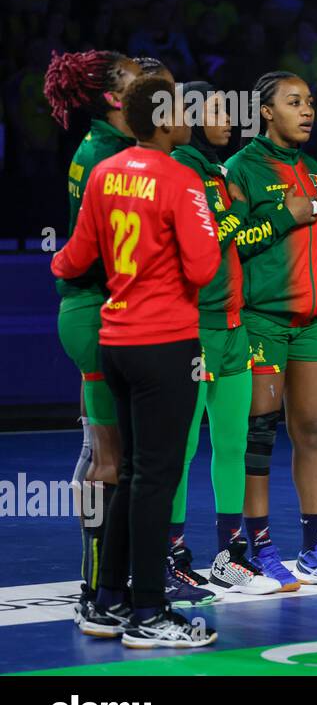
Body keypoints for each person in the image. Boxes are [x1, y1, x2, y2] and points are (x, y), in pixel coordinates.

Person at [52, 73, 221, 647]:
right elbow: (204, 269)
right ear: (165, 121)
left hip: (116, 341)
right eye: (181, 109)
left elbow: (74, 257)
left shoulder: (104, 172)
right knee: (156, 478)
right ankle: (150, 612)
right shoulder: (182, 178)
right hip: (164, 344)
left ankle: (107, 602)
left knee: (129, 474)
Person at [225, 72, 317, 589]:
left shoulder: (310, 167)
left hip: (315, 323)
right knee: (259, 436)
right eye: (293, 102)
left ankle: (314, 548)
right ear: (263, 112)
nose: (307, 111)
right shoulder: (241, 168)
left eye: (309, 103)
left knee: (310, 433)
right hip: (264, 319)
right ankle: (257, 549)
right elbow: (233, 243)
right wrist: (284, 215)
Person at [170, 81, 280, 594]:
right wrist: (240, 212)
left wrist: (233, 211)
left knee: (232, 445)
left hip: (234, 326)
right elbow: (210, 236)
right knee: (182, 447)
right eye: (216, 111)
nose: (228, 119)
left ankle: (228, 555)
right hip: (195, 327)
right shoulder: (182, 172)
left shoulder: (215, 171)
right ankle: (171, 555)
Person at [44, 49, 142, 628]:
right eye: (135, 79)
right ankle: (97, 591)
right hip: (98, 314)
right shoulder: (111, 155)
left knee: (97, 452)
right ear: (112, 95)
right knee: (110, 462)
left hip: (91, 310)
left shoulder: (98, 147)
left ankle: (106, 582)